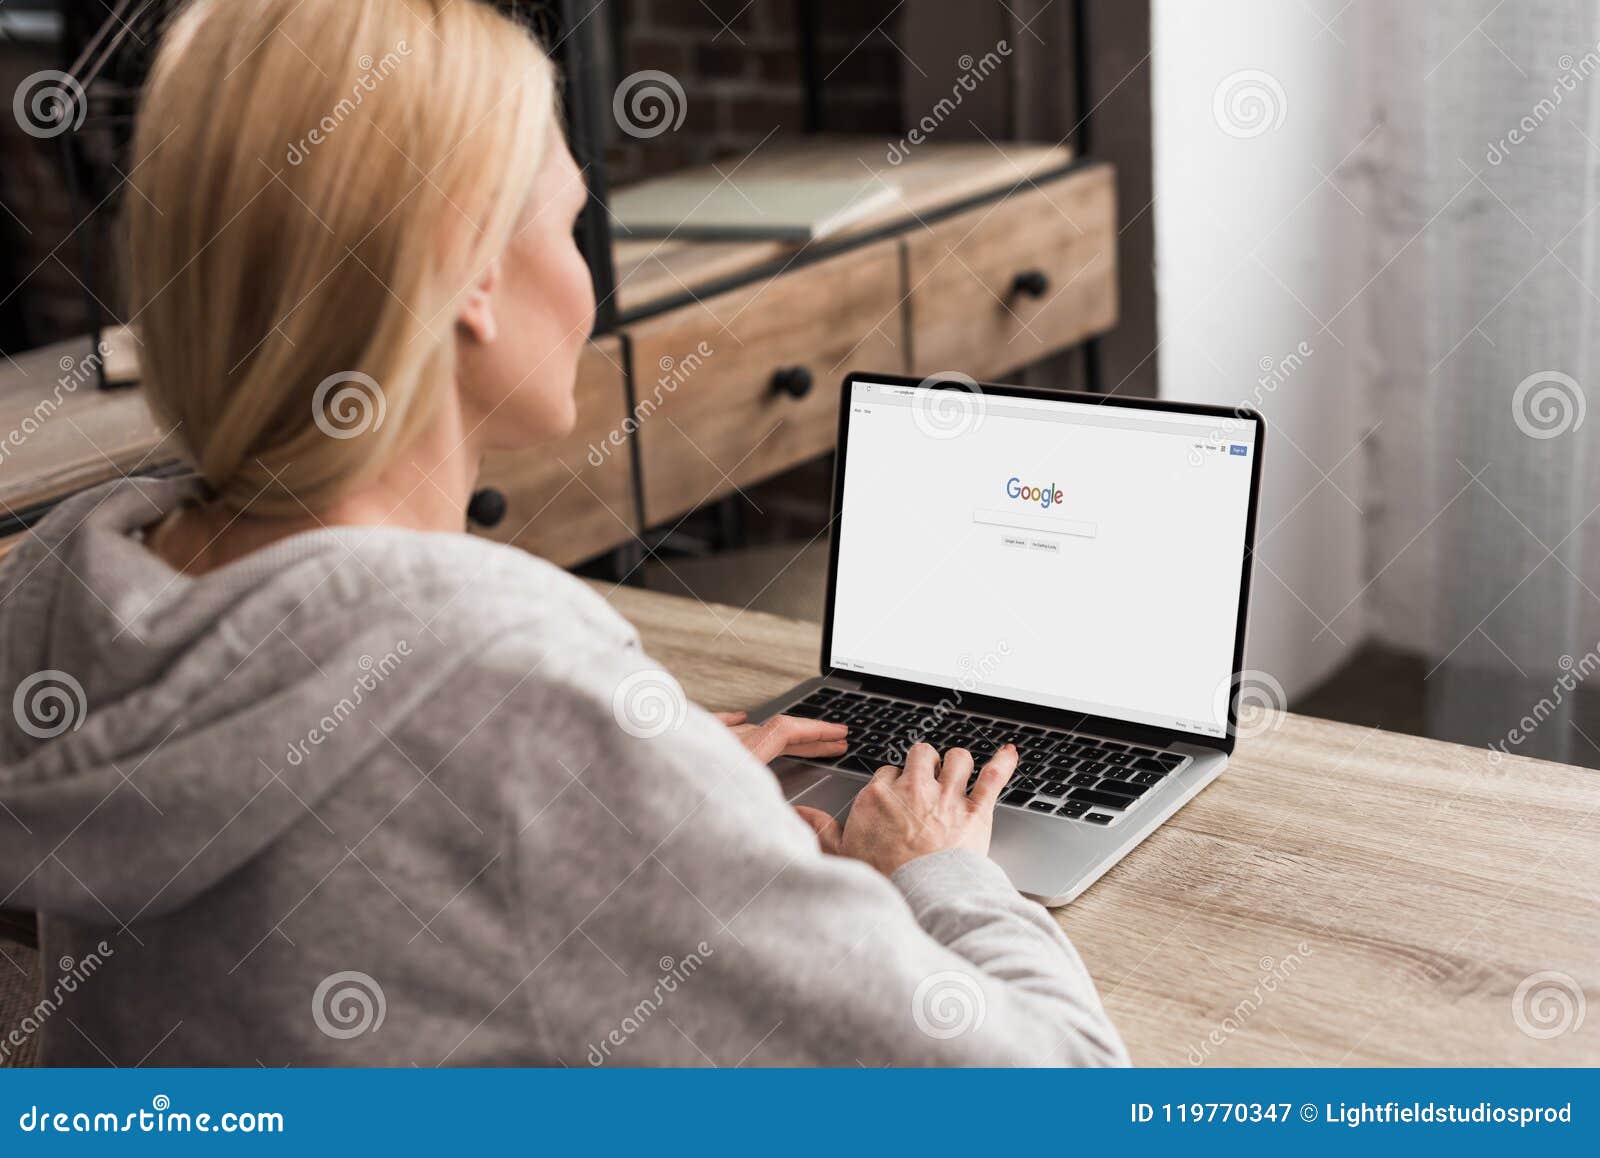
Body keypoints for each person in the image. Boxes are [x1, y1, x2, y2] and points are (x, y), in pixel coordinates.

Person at [0, 0, 1127, 1066]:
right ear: (473, 275)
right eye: (571, 220)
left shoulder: (75, 581)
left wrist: (655, 804)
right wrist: (940, 874)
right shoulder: (509, 692)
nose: (588, 277)